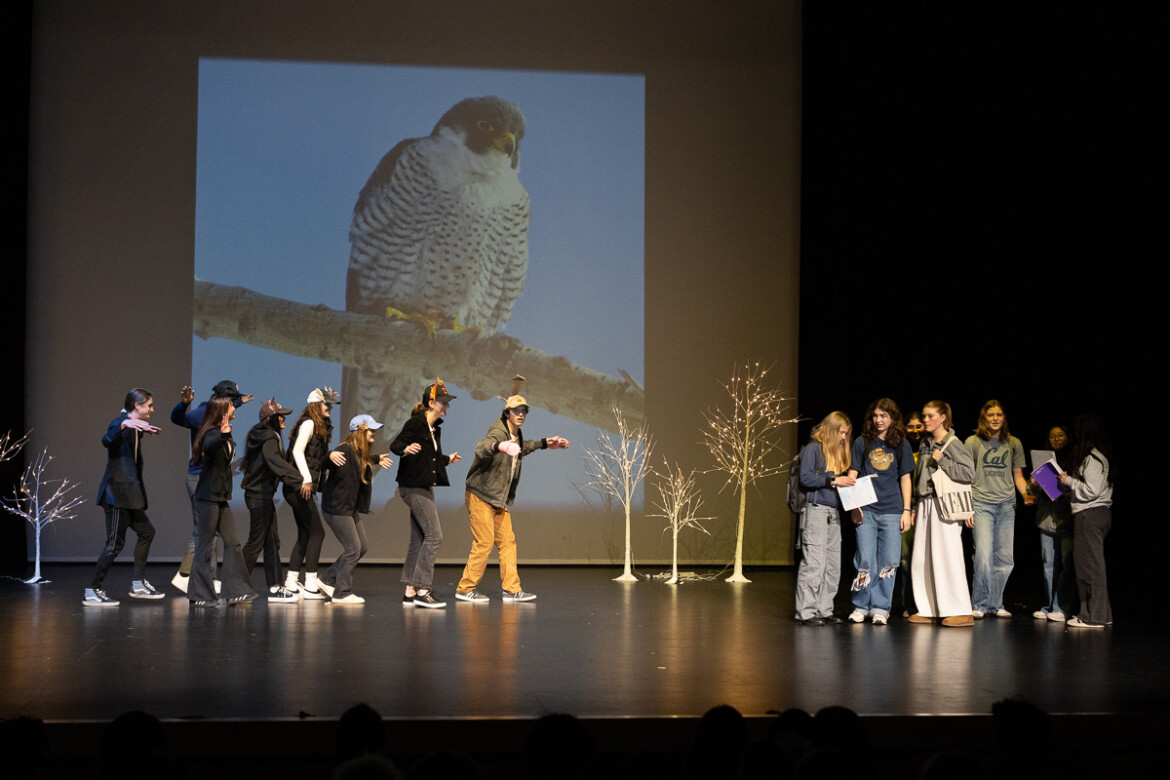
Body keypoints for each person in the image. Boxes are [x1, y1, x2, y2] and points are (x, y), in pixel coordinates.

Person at [455, 384, 569, 603]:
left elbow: (521, 447)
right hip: (480, 495)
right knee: (484, 541)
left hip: (497, 499)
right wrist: (500, 447)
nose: (521, 414)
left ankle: (511, 590)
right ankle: (464, 588)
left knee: (508, 542)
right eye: (516, 411)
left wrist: (546, 443)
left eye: (524, 411)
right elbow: (481, 448)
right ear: (507, 412)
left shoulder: (514, 433)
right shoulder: (498, 431)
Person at [169, 380, 253, 593]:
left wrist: (241, 402)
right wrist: (183, 405)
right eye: (232, 400)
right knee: (203, 531)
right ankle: (185, 576)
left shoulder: (219, 415)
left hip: (208, 480)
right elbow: (179, 420)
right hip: (199, 479)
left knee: (213, 533)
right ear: (223, 400)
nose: (234, 404)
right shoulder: (203, 413)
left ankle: (206, 578)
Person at [84, 388, 163, 607]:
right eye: (149, 405)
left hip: (129, 495)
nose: (152, 409)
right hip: (117, 496)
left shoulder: (135, 427)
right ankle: (92, 590)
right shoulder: (119, 422)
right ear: (137, 405)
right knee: (114, 545)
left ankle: (138, 583)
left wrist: (137, 428)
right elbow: (106, 439)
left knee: (147, 532)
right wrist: (123, 425)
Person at [389, 378, 462, 608]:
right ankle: (423, 589)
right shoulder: (416, 424)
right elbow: (395, 444)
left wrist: (446, 459)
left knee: (419, 539)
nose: (446, 407)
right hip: (413, 487)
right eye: (443, 402)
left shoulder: (432, 429)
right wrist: (405, 448)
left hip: (423, 486)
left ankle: (410, 590)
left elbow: (429, 457)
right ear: (431, 403)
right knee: (434, 536)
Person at [845, 398, 915, 625]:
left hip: (892, 511)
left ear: (893, 418)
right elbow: (852, 475)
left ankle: (881, 607)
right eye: (875, 416)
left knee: (889, 561)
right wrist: (855, 506)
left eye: (883, 416)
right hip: (866, 509)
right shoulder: (862, 441)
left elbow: (905, 479)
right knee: (864, 560)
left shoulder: (901, 443)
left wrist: (906, 510)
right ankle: (860, 605)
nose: (878, 420)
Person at [908, 400, 976, 627]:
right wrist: (916, 506)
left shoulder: (953, 442)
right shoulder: (927, 442)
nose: (925, 420)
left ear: (943, 417)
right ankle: (930, 608)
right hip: (926, 502)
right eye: (924, 416)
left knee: (947, 555)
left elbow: (968, 473)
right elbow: (920, 475)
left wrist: (944, 460)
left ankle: (960, 609)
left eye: (929, 416)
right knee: (923, 557)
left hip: (943, 503)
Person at [965, 400, 1031, 619]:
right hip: (981, 503)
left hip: (1006, 505)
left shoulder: (1014, 443)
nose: (995, 418)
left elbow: (1018, 476)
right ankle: (980, 603)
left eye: (999, 415)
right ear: (984, 418)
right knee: (983, 555)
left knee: (1004, 557)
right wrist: (966, 508)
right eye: (990, 415)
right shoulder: (973, 441)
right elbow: (964, 477)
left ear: (1004, 418)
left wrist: (1026, 495)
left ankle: (995, 603)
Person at [318, 414, 393, 605]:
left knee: (362, 547)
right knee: (353, 548)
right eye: (371, 429)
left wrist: (376, 459)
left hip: (348, 508)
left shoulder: (359, 451)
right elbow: (323, 462)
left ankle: (327, 580)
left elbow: (360, 462)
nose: (375, 432)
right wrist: (329, 455)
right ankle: (342, 593)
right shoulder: (344, 448)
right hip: (336, 508)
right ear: (359, 431)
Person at [189, 397, 256, 606]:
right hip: (208, 497)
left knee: (233, 542)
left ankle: (237, 591)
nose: (235, 407)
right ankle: (199, 595)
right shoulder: (212, 433)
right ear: (222, 412)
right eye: (232, 405)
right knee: (205, 545)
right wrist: (222, 435)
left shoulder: (223, 432)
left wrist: (225, 435)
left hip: (220, 497)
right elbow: (209, 446)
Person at [793, 411, 855, 625]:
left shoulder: (835, 452)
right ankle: (806, 611)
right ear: (830, 430)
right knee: (814, 563)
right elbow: (806, 478)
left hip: (833, 513)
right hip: (816, 510)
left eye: (846, 434)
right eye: (841, 433)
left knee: (832, 565)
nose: (843, 438)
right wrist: (834, 481)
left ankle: (824, 609)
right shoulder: (813, 448)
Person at [241, 397, 305, 603]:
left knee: (271, 542)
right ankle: (236, 586)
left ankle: (276, 588)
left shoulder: (260, 433)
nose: (284, 419)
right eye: (281, 416)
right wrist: (299, 478)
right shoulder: (269, 436)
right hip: (259, 496)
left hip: (261, 494)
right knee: (255, 543)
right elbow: (273, 459)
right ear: (272, 419)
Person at [282, 387, 339, 600]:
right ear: (316, 405)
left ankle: (291, 580)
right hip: (299, 487)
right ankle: (310, 584)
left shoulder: (318, 426)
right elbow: (297, 451)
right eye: (326, 404)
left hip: (299, 487)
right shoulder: (308, 423)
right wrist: (306, 479)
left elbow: (316, 455)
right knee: (318, 533)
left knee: (306, 534)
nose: (330, 409)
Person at [1058, 414, 1113, 628]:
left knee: (1089, 567)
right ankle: (1103, 613)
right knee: (1094, 566)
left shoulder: (1093, 458)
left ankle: (1092, 616)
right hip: (1095, 513)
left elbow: (1091, 491)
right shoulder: (1098, 456)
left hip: (1090, 514)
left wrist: (1068, 480)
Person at [1032, 425, 1076, 621]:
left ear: (1068, 437)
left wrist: (1062, 487)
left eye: (1060, 435)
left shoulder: (1075, 460)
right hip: (1046, 518)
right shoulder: (1044, 461)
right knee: (1048, 564)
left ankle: (1062, 606)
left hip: (1067, 519)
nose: (1056, 439)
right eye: (1052, 436)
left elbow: (1079, 490)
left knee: (1066, 564)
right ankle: (1049, 605)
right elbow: (1030, 493)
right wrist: (1033, 485)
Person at [899, 410, 926, 617]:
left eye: (919, 426)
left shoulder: (928, 449)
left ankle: (925, 603)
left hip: (926, 509)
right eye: (911, 427)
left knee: (926, 559)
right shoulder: (901, 449)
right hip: (905, 509)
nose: (915, 431)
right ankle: (909, 604)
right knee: (906, 559)